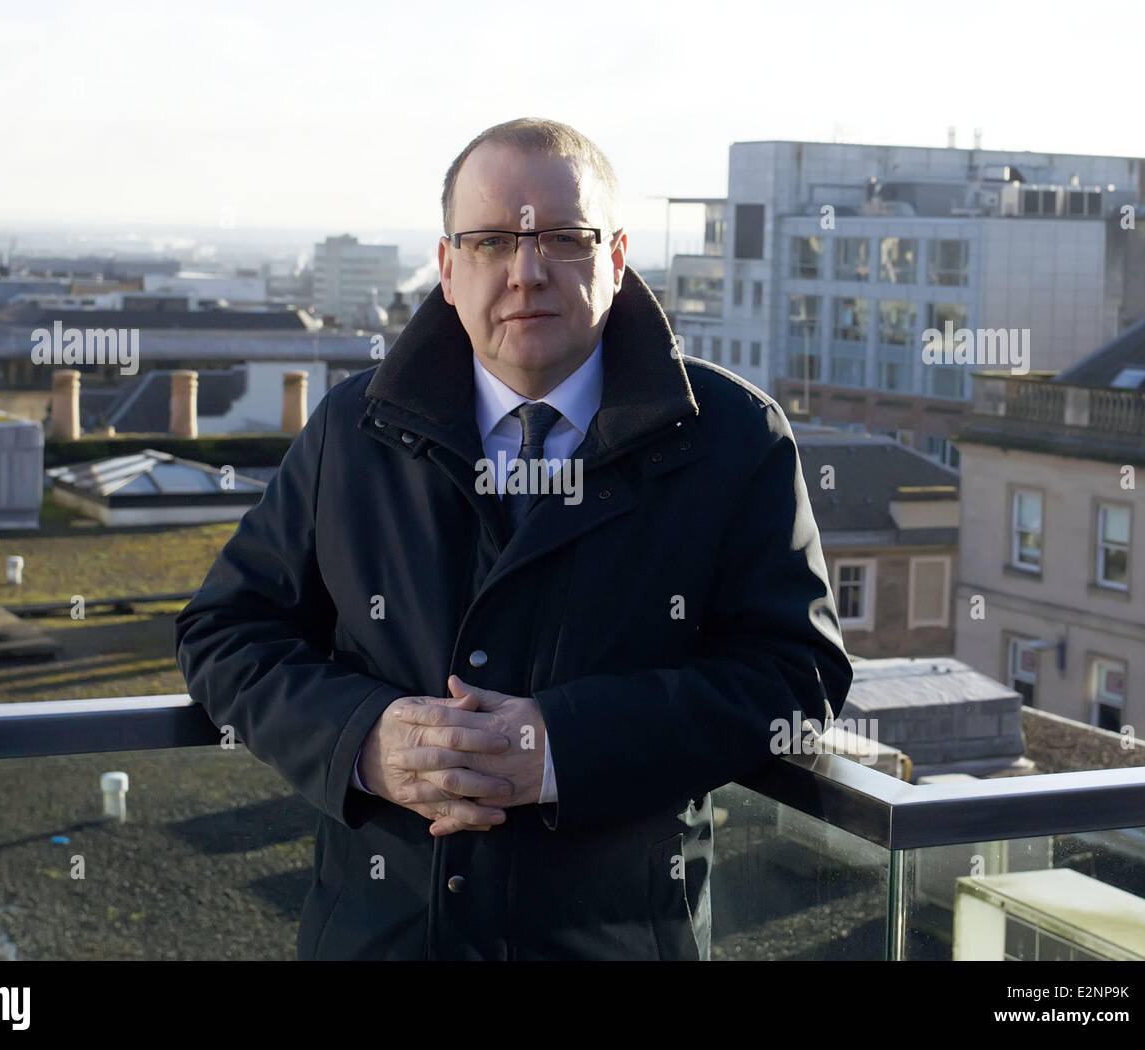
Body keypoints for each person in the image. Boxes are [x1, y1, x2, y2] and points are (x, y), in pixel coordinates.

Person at [175, 117, 852, 961]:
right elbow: (224, 631)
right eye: (492, 240)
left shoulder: (733, 438)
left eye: (564, 239)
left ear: (617, 257)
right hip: (377, 943)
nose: (527, 271)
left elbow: (798, 674)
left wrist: (565, 748)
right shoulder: (352, 431)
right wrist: (362, 741)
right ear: (447, 265)